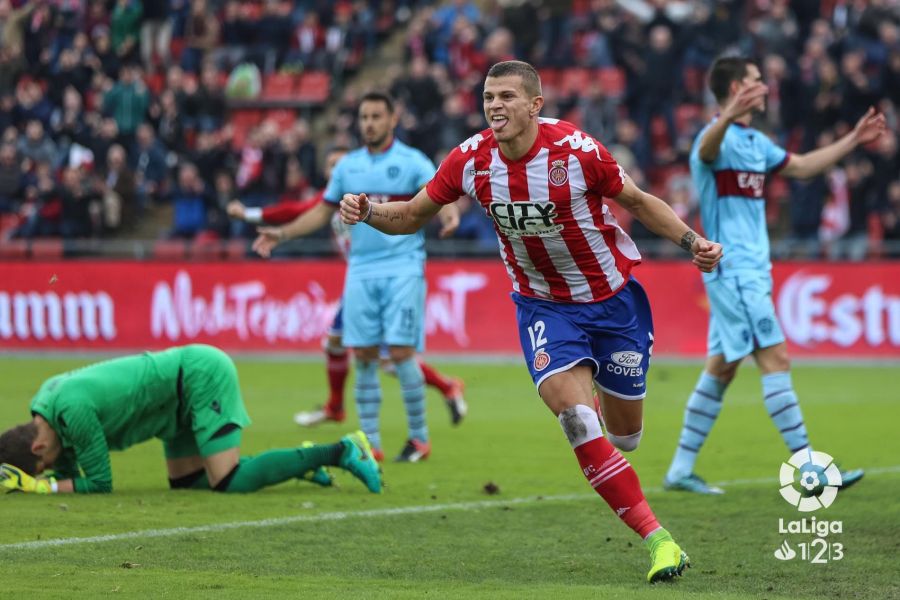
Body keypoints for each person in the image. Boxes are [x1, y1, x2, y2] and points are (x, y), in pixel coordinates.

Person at [340, 61, 724, 584]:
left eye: (506, 96)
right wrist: (368, 212)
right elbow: (410, 216)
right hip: (543, 307)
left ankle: (596, 396)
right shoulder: (470, 160)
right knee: (577, 421)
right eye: (488, 97)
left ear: (535, 105)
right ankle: (660, 541)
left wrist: (692, 242)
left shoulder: (578, 152)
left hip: (612, 303)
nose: (494, 106)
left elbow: (636, 201)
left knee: (626, 437)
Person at [663, 57, 884, 495]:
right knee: (776, 359)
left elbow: (801, 166)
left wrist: (852, 140)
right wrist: (727, 115)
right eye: (756, 80)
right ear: (736, 89)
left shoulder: (755, 142)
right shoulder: (713, 139)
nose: (764, 86)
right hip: (733, 269)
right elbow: (705, 152)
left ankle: (679, 471)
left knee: (722, 368)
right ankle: (810, 470)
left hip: (752, 270)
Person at [252, 92, 460, 463]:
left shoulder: (412, 161)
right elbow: (320, 212)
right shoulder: (347, 167)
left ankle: (419, 439)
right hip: (361, 269)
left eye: (376, 116)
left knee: (400, 352)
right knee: (363, 354)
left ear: (392, 119)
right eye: (364, 117)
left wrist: (449, 216)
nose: (369, 123)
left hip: (403, 265)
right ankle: (370, 444)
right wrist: (281, 234)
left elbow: (438, 195)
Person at [229, 147, 467, 429]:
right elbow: (295, 210)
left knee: (387, 358)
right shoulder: (332, 198)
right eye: (330, 165)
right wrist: (253, 216)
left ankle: (442, 390)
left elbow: (427, 194)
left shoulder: (361, 198)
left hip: (385, 278)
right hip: (360, 280)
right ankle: (338, 406)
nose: (334, 170)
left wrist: (251, 214)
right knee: (343, 345)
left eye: (338, 164)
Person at [0, 344, 381, 495]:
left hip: (198, 377)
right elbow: (68, 472)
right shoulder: (47, 407)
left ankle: (342, 450)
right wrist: (42, 481)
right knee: (187, 482)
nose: (50, 469)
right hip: (173, 406)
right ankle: (298, 463)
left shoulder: (72, 411)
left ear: (37, 446)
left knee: (227, 480)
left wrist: (41, 488)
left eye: (42, 465)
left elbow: (99, 483)